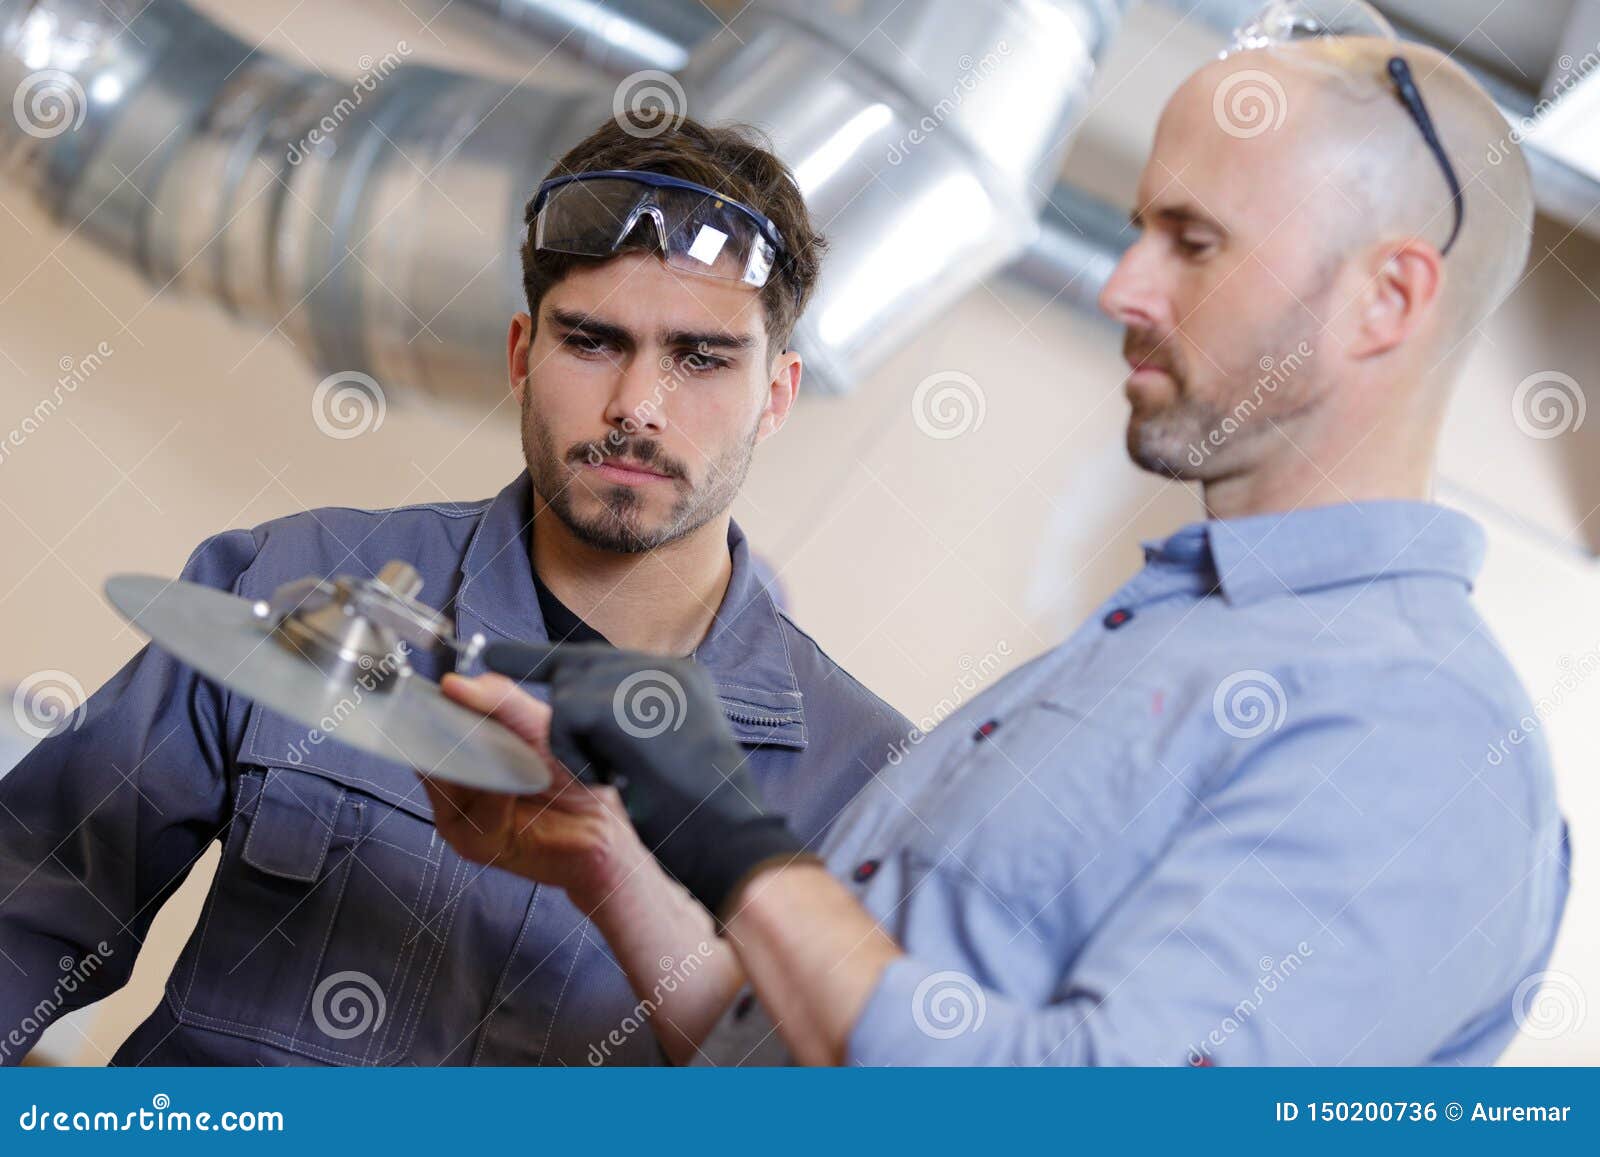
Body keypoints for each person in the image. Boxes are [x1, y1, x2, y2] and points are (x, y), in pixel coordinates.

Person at [424, 26, 1571, 1066]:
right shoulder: (1155, 638)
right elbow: (832, 1060)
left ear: (1386, 298)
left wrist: (740, 848)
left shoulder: (1417, 727)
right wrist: (616, 866)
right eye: (1136, 234)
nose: (1123, 286)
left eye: (1194, 241)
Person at [0, 116, 908, 1066]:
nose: (639, 404)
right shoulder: (292, 585)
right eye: (593, 342)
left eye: (701, 358)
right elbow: (32, 901)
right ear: (522, 354)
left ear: (778, 393)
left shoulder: (868, 784)